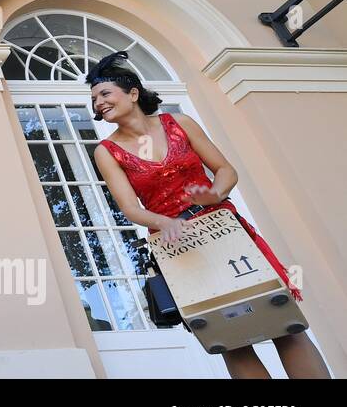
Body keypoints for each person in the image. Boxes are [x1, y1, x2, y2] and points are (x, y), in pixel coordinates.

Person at [88, 51, 329, 379]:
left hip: (225, 229)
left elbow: (225, 170)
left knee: (282, 321)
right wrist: (164, 222)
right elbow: (130, 208)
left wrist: (215, 194)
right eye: (93, 99)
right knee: (231, 336)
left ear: (132, 93)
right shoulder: (106, 151)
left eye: (104, 93)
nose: (98, 102)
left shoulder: (179, 123)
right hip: (178, 247)